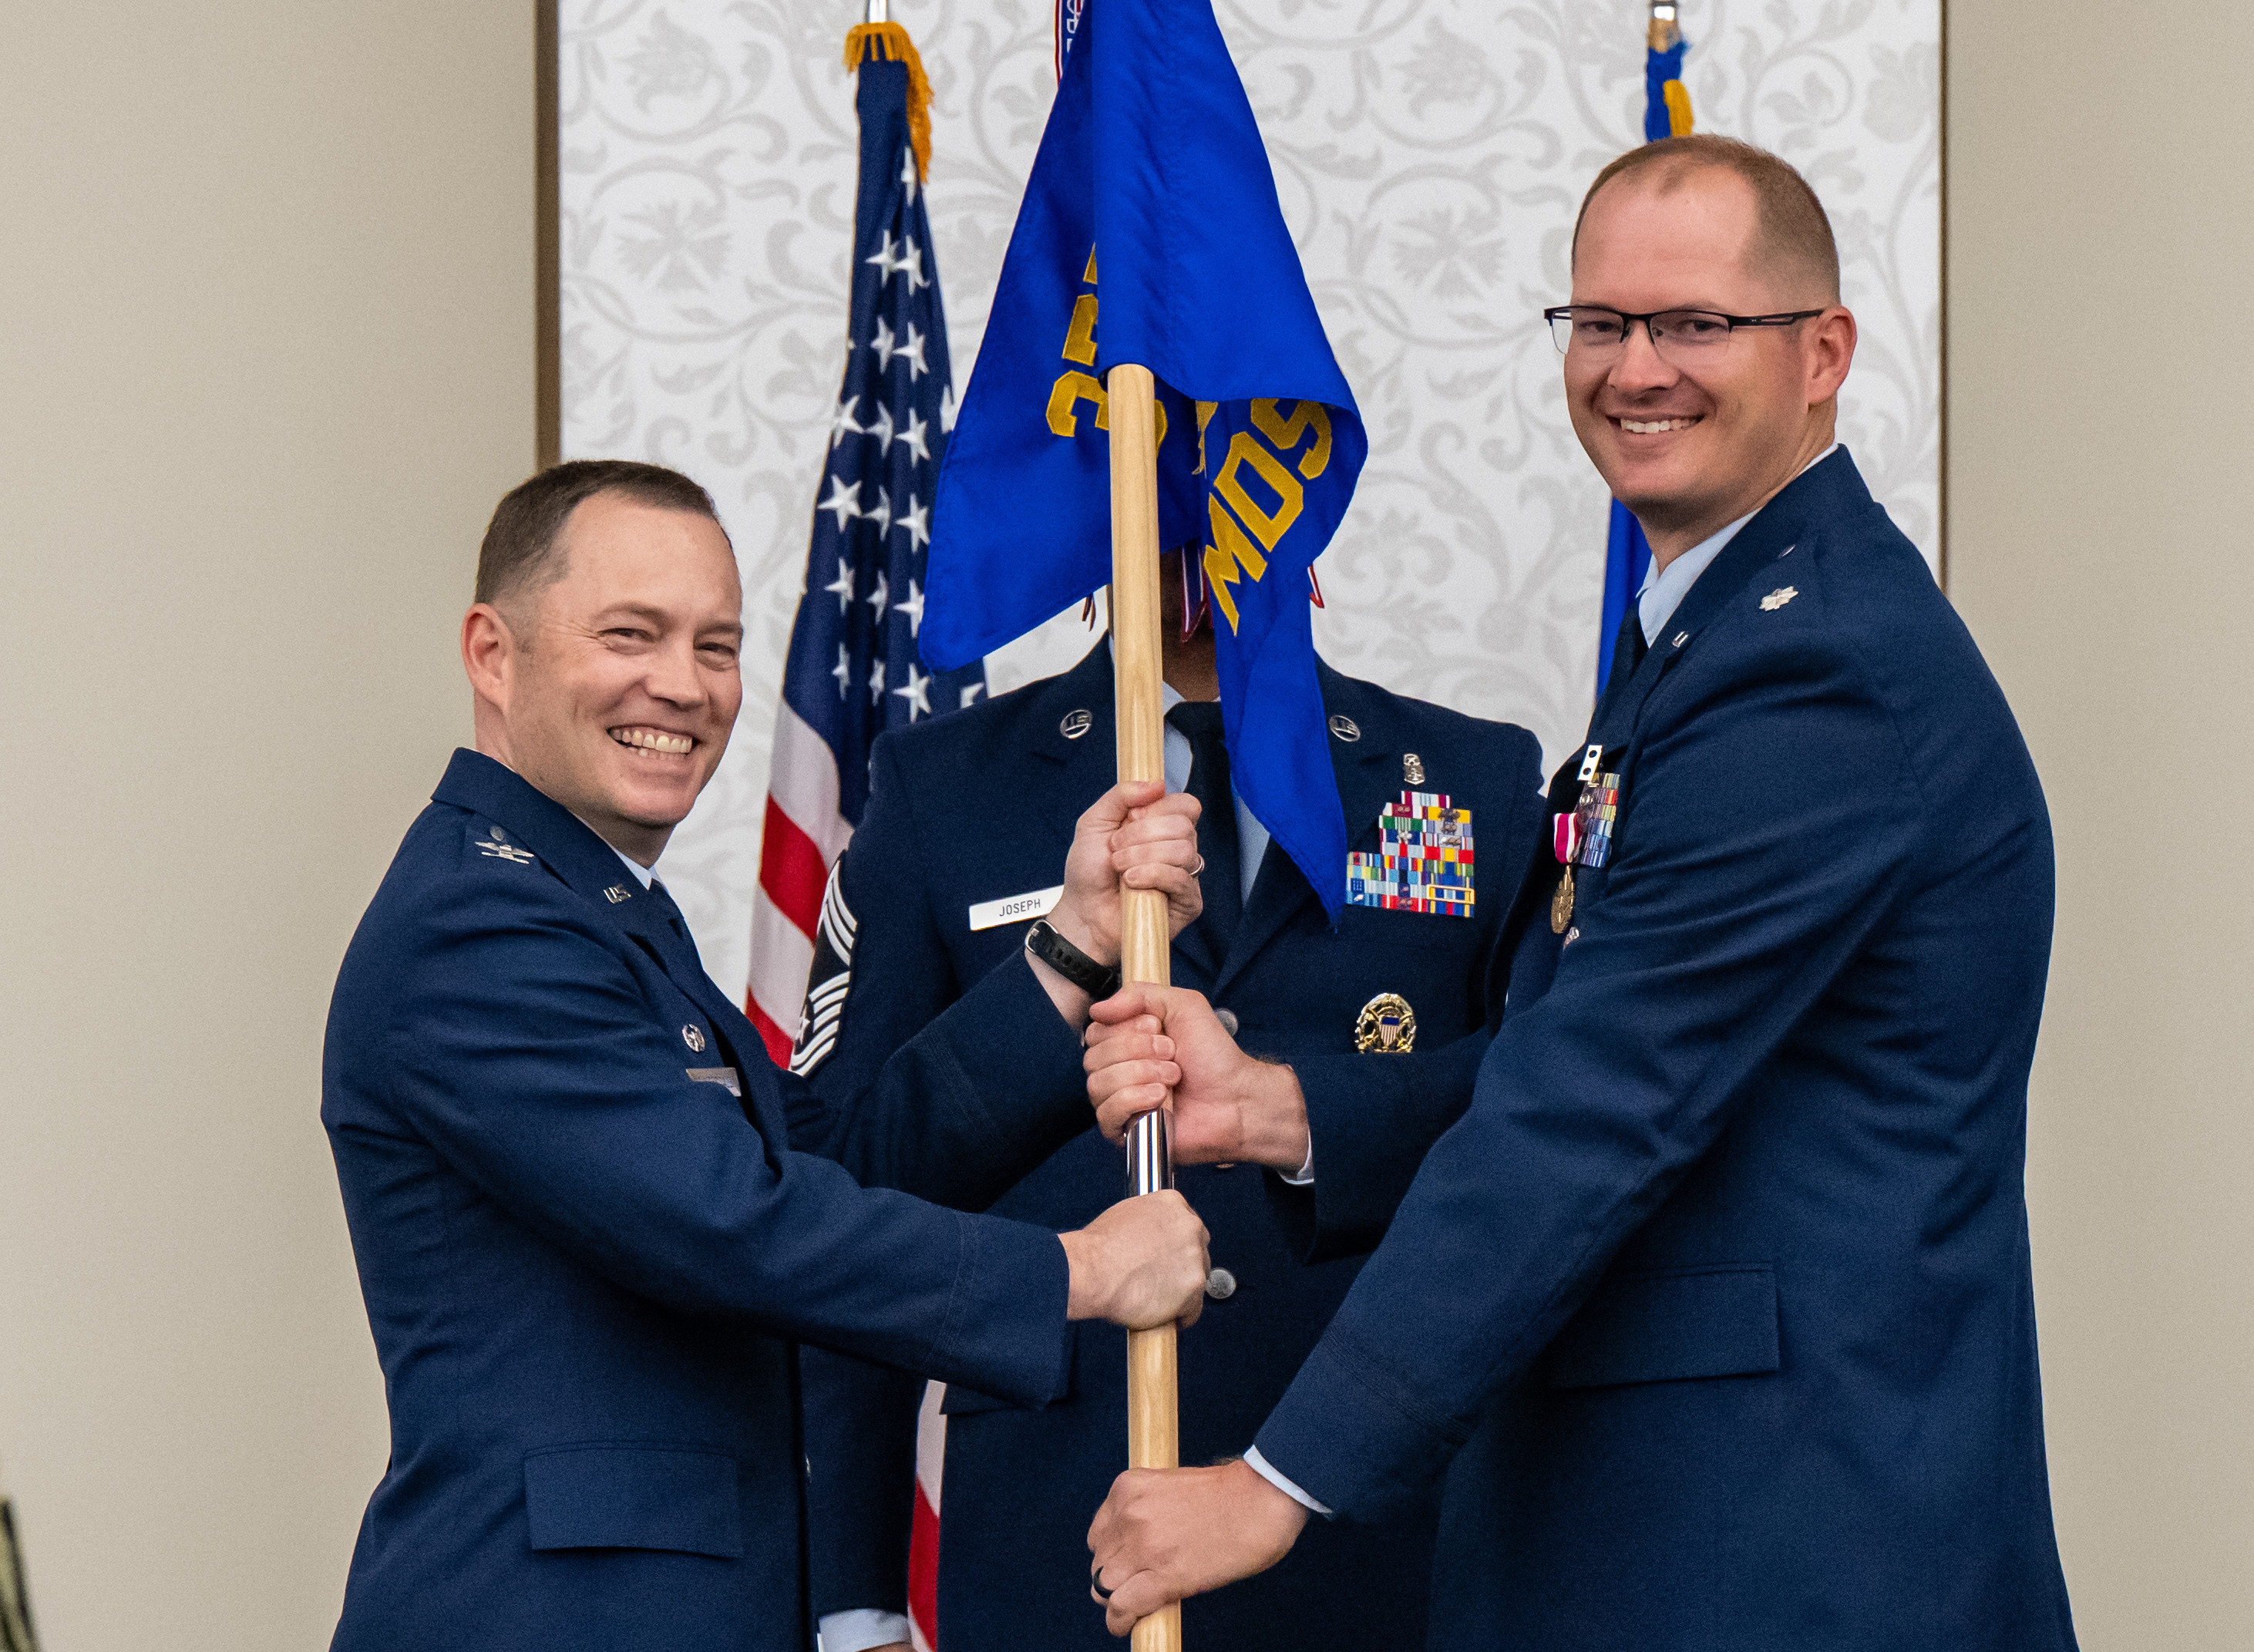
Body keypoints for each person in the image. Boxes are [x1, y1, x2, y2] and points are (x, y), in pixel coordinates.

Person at [1083, 136, 2079, 1650]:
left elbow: (1596, 1110)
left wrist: (1278, 1481)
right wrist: (1285, 1110)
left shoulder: (1817, 678)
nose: (1636, 369)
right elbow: (1584, 1047)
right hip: (1680, 1534)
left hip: (1778, 1548)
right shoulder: (1711, 637)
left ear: (1822, 354)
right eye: (1599, 323)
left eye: (1692, 324)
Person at [321, 459, 1217, 1652]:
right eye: (631, 635)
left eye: (716, 646)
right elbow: (731, 1224)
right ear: (494, 653)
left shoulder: (600, 908)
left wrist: (1072, 949)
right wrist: (1075, 1275)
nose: (682, 687)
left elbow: (834, 1161)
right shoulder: (476, 927)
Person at [796, 552, 1546, 1652]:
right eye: (1162, 459)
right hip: (1055, 1537)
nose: (1198, 499)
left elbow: (1537, 1135)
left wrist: (1290, 1116)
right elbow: (853, 1200)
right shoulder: (944, 787)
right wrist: (855, 1608)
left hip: (1381, 1535)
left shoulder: (1467, 779)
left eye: (1236, 447)